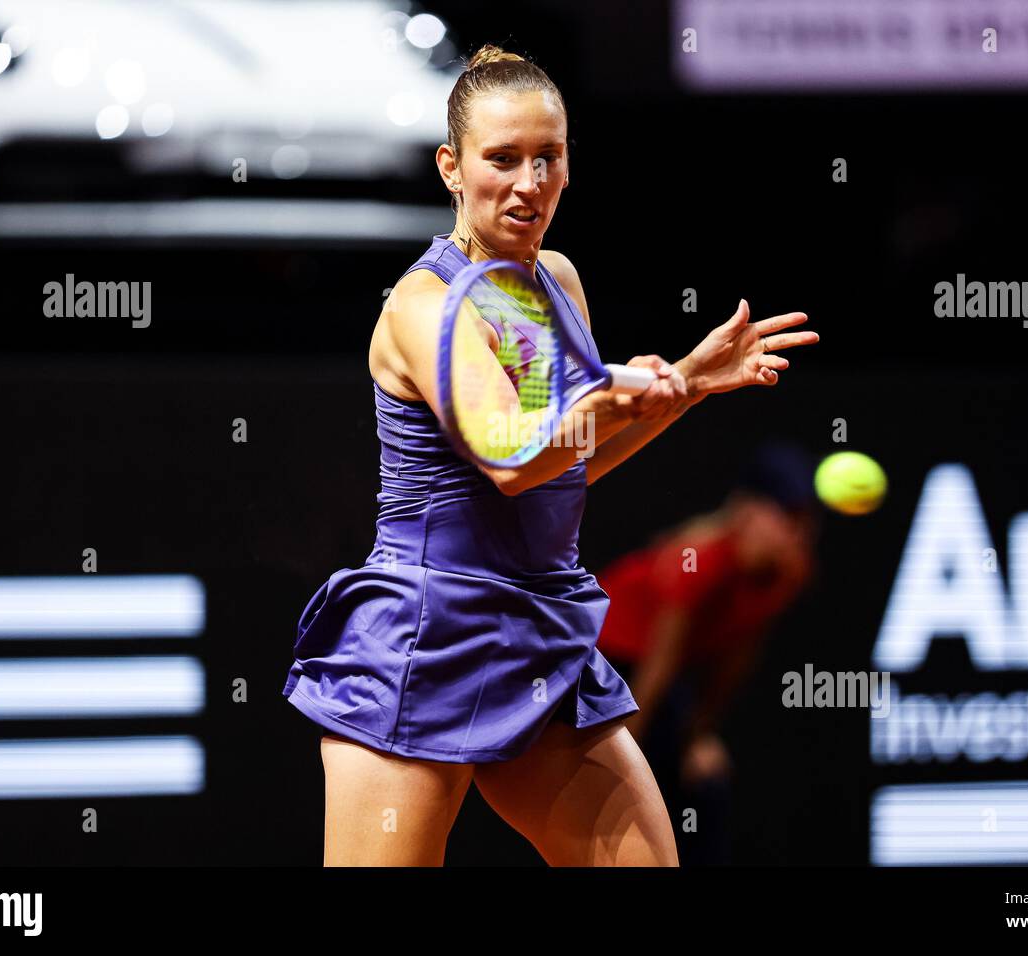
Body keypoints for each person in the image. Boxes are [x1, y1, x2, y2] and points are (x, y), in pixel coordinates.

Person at [282, 43, 819, 866]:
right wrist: (605, 399)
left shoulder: (557, 282)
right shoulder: (424, 306)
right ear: (451, 168)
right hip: (424, 642)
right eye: (502, 159)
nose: (530, 182)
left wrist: (685, 385)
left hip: (537, 636)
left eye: (549, 157)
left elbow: (567, 465)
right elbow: (507, 456)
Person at [596, 441, 821, 865]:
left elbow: (736, 659)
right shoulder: (702, 561)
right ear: (749, 513)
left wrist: (698, 736)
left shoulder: (788, 573)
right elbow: (660, 663)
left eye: (806, 519)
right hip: (604, 661)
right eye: (787, 516)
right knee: (638, 789)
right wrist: (629, 757)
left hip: (660, 680)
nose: (799, 532)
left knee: (705, 783)